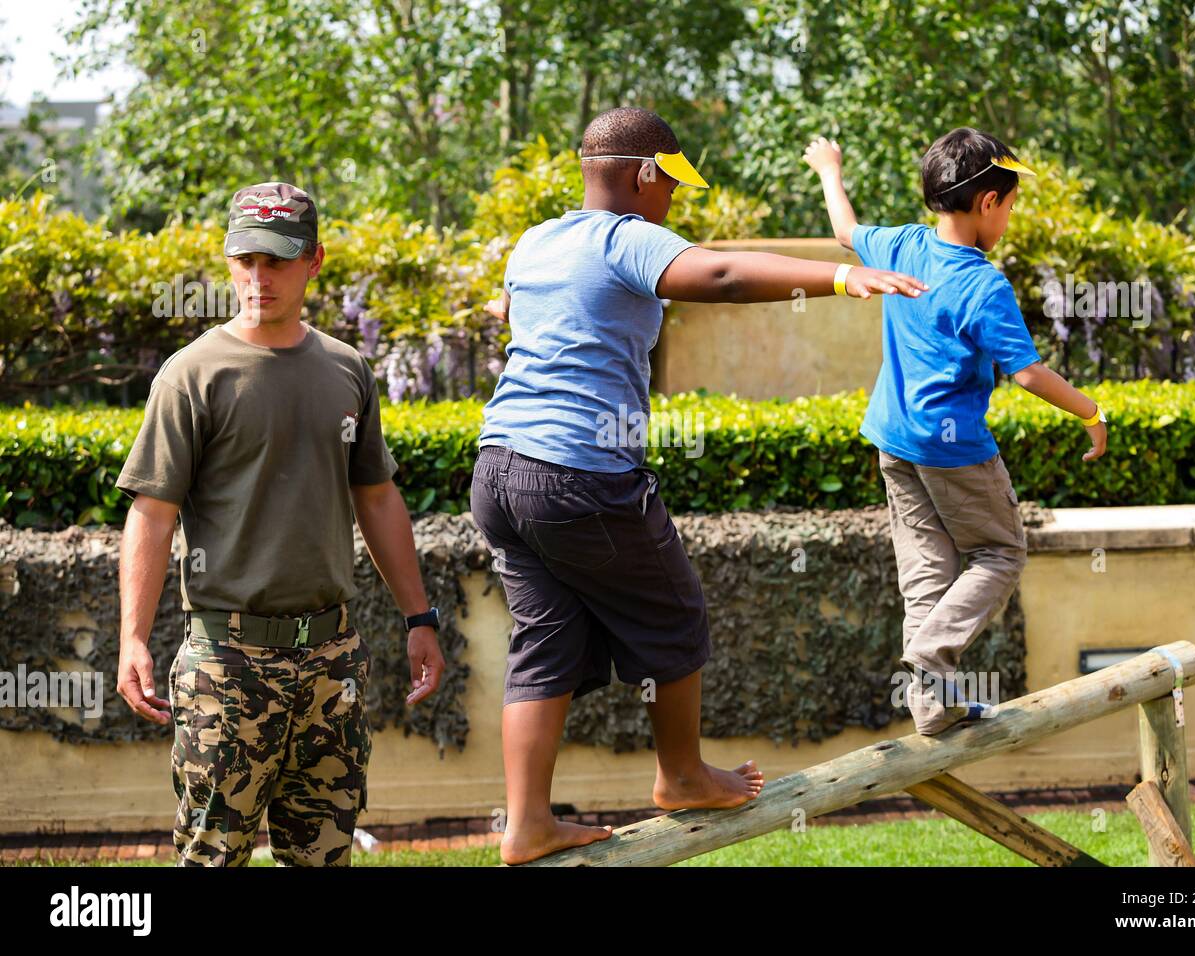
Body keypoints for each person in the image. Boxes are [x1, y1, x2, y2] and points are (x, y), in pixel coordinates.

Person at [472, 106, 928, 864]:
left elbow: (517, 314)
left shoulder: (537, 240)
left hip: (499, 469)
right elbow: (717, 273)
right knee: (675, 613)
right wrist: (842, 275)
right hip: (575, 471)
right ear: (645, 173)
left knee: (544, 642)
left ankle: (525, 824)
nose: (674, 202)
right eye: (671, 184)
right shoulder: (628, 235)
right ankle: (680, 775)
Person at [114, 182, 446, 866]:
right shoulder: (192, 377)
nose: (258, 276)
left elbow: (377, 499)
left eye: (278, 259)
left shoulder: (348, 370)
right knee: (214, 857)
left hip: (333, 660)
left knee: (323, 858)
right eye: (246, 259)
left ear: (314, 261)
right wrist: (133, 638)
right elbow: (151, 513)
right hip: (227, 665)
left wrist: (420, 618)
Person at [803, 128, 1108, 736]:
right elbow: (1027, 374)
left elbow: (844, 232)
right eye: (1011, 207)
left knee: (928, 571)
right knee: (1000, 552)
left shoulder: (905, 245)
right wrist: (1092, 413)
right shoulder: (983, 283)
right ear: (988, 203)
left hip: (894, 438)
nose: (1010, 221)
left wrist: (829, 170)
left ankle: (932, 707)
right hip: (954, 451)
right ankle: (930, 654)